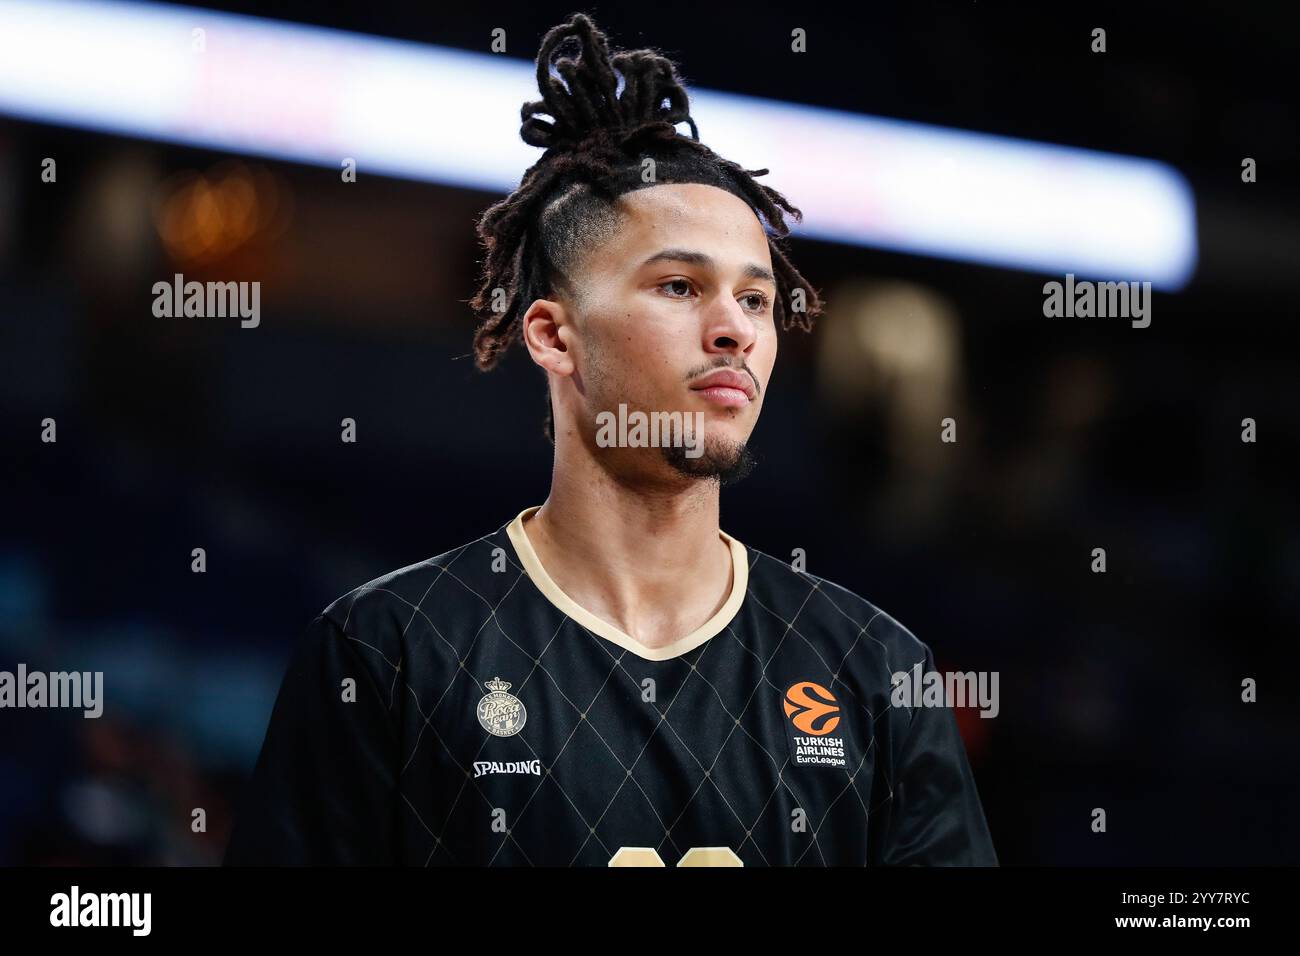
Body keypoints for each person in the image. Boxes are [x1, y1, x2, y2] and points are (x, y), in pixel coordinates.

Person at [224, 12, 996, 867]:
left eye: (755, 300)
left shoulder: (878, 670)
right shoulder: (388, 651)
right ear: (554, 336)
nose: (734, 330)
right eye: (678, 285)